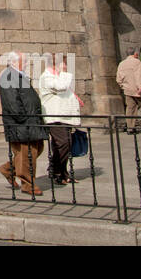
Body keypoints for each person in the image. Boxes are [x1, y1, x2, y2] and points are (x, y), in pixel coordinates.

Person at [0, 54, 48, 195]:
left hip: (30, 121)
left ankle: (8, 169)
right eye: (24, 61)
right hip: (22, 123)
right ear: (14, 62)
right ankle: (27, 184)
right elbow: (11, 102)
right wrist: (23, 119)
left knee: (37, 148)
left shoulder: (19, 76)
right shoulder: (8, 76)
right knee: (28, 153)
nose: (26, 63)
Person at [38, 57, 80, 186]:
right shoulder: (47, 77)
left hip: (63, 116)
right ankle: (56, 171)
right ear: (56, 65)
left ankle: (62, 172)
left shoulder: (56, 77)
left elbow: (64, 91)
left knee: (61, 145)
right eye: (64, 64)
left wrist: (75, 98)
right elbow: (60, 87)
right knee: (63, 143)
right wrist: (63, 72)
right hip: (54, 117)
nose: (66, 66)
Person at [115, 46, 141, 133]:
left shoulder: (121, 64)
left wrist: (122, 86)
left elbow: (118, 78)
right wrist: (140, 87)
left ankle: (130, 128)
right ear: (135, 54)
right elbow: (138, 75)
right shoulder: (137, 62)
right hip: (138, 89)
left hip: (127, 89)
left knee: (130, 108)